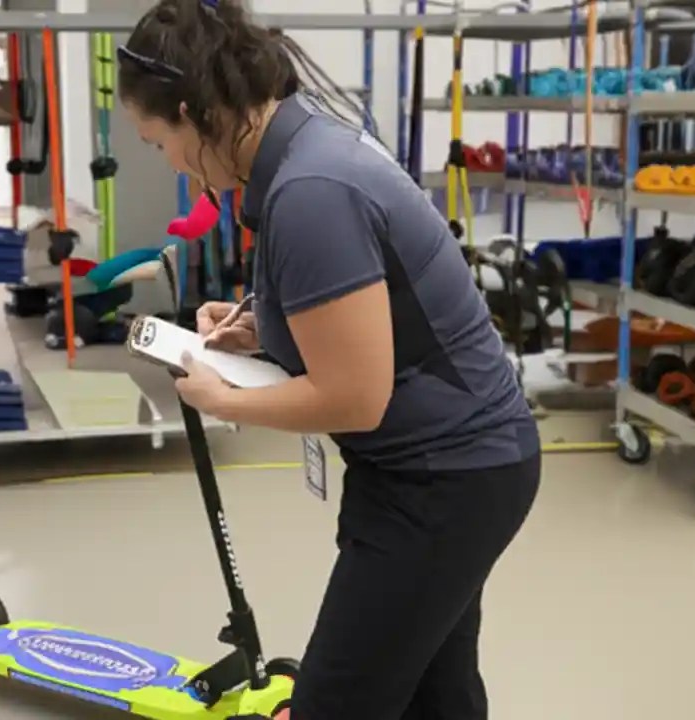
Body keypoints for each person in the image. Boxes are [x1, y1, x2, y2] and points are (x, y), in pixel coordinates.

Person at [117, 2, 541, 718]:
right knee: (435, 690)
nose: (171, 162)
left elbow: (355, 397)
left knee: (338, 701)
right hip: (458, 465)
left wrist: (222, 399)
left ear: (195, 113)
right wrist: (265, 327)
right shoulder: (307, 141)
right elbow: (375, 313)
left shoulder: (312, 192)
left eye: (159, 141)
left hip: (443, 478)